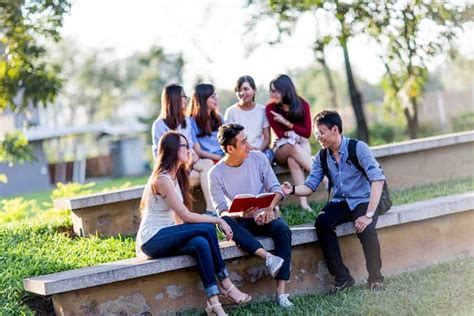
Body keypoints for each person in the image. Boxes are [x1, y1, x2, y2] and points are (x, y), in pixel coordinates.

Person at [137, 131, 251, 316]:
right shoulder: (162, 179)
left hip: (168, 234)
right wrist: (218, 219)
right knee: (206, 228)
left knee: (200, 243)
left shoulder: (177, 176)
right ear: (173, 149)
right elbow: (187, 217)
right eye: (185, 146)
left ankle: (214, 304)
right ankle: (227, 284)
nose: (190, 149)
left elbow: (180, 219)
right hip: (152, 239)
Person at [281, 110, 386, 294]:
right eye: (316, 133)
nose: (318, 137)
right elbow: (310, 185)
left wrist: (368, 215)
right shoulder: (322, 156)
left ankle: (376, 279)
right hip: (341, 201)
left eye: (321, 132)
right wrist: (293, 190)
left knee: (366, 230)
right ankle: (342, 278)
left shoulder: (358, 148)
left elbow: (378, 179)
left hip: (365, 199)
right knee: (322, 222)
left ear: (335, 129)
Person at [208, 123, 294, 308]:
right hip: (240, 220)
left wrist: (270, 208)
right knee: (224, 221)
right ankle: (268, 258)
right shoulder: (215, 173)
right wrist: (239, 212)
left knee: (282, 229)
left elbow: (276, 189)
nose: (249, 145)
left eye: (247, 140)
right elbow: (221, 209)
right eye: (243, 142)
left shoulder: (258, 158)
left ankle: (281, 294)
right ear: (230, 148)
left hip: (264, 214)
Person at [151, 84, 215, 214]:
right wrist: (187, 154)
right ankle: (193, 213)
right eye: (184, 96)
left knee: (208, 164)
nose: (186, 99)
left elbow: (190, 148)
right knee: (202, 175)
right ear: (174, 99)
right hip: (171, 171)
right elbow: (162, 157)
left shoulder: (186, 121)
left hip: (186, 164)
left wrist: (189, 155)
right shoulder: (159, 125)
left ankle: (210, 209)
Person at [265, 74, 313, 212]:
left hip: (301, 145)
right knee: (292, 147)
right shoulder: (270, 109)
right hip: (281, 148)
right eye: (270, 90)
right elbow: (279, 134)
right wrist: (292, 134)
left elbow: (307, 133)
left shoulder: (303, 104)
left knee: (293, 160)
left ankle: (304, 204)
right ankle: (324, 178)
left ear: (285, 90)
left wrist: (286, 123)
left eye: (275, 90)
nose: (272, 94)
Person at [224, 75, 272, 162]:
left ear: (254, 90)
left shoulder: (262, 110)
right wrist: (245, 149)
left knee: (261, 159)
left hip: (260, 150)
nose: (242, 93)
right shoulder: (231, 112)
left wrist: (259, 150)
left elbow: (267, 138)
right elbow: (229, 139)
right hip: (240, 151)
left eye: (246, 89)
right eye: (238, 90)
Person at [189, 83, 225, 163]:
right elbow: (198, 151)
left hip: (223, 157)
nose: (216, 99)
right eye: (212, 97)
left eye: (216, 96)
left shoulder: (219, 118)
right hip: (208, 160)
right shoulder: (191, 121)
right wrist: (220, 158)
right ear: (202, 99)